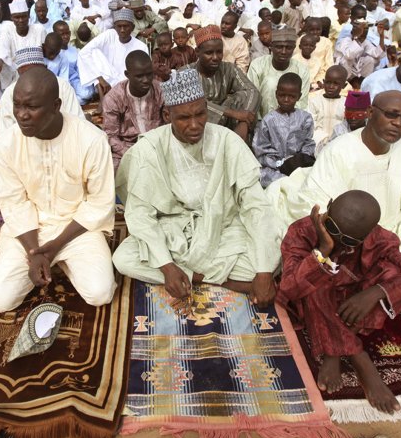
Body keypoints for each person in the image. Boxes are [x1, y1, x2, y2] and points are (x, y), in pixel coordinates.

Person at [268, 91, 401, 297]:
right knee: (319, 261)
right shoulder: (340, 150)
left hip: (395, 235)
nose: (398, 123)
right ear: (371, 112)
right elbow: (321, 209)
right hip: (348, 238)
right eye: (391, 115)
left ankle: (376, 270)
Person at [113, 69, 280, 307]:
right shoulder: (150, 149)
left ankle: (196, 277)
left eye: (200, 113)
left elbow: (255, 204)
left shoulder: (226, 140)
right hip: (174, 229)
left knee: (272, 262)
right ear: (167, 114)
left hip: (223, 227)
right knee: (123, 259)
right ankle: (219, 281)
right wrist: (167, 266)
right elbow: (140, 213)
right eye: (183, 118)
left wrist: (263, 272)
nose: (194, 125)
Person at [277, 190, 401, 414]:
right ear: (329, 206)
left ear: (367, 235)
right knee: (314, 280)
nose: (336, 238)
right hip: (314, 296)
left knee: (393, 272)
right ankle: (356, 357)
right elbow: (290, 286)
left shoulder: (380, 239)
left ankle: (333, 344)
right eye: (332, 228)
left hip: (351, 296)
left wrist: (375, 292)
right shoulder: (302, 231)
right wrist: (323, 250)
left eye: (346, 240)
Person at [0, 68, 117, 312]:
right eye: (17, 105)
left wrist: (54, 247)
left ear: (56, 105)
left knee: (100, 293)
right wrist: (34, 252)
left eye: (31, 107)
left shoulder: (91, 139)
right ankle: (49, 262)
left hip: (76, 229)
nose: (21, 115)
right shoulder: (6, 145)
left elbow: (99, 203)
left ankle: (62, 260)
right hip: (28, 231)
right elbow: (14, 203)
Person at [182, 25, 260, 141]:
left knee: (242, 96)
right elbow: (194, 104)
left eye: (219, 52)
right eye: (209, 53)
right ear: (197, 52)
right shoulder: (185, 73)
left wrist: (244, 121)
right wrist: (234, 114)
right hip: (196, 127)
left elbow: (252, 91)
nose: (215, 57)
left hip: (226, 125)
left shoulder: (229, 68)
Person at [102, 50, 165, 170]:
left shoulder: (161, 90)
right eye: (139, 76)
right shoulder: (114, 98)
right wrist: (134, 153)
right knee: (111, 172)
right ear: (127, 74)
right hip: (127, 149)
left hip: (159, 144)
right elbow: (111, 136)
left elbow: (170, 124)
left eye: (149, 74)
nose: (146, 80)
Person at [252, 72, 315, 188]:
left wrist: (298, 161)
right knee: (271, 180)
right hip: (273, 168)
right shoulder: (268, 120)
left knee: (308, 180)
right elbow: (260, 149)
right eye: (282, 95)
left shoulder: (305, 118)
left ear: (299, 96)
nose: (286, 99)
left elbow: (308, 143)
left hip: (298, 166)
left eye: (291, 96)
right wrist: (278, 164)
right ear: (276, 94)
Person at [0, 46, 82, 132]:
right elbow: (6, 133)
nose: (32, 80)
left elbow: (78, 122)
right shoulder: (9, 94)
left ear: (45, 67)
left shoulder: (62, 86)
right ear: (19, 72)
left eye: (36, 72)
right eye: (26, 74)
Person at [77, 8, 149, 97]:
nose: (122, 30)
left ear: (132, 27)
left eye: (126, 26)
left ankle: (107, 97)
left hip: (128, 83)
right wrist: (100, 79)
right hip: (106, 80)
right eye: (119, 26)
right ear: (115, 27)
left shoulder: (141, 46)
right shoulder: (109, 34)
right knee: (93, 51)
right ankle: (102, 94)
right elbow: (84, 52)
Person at [248, 26, 310, 118]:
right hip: (260, 120)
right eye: (279, 47)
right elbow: (252, 97)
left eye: (288, 48)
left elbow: (302, 103)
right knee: (270, 82)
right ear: (271, 47)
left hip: (290, 121)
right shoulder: (257, 65)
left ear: (294, 48)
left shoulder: (302, 70)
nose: (283, 52)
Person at [308, 65, 349, 146]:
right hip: (317, 142)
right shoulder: (314, 101)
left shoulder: (346, 104)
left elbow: (346, 126)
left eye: (336, 84)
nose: (331, 87)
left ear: (344, 85)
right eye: (328, 82)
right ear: (323, 82)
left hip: (339, 143)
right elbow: (310, 124)